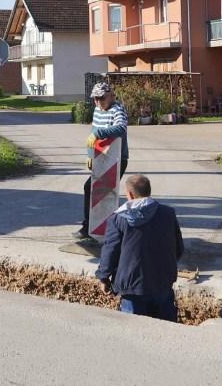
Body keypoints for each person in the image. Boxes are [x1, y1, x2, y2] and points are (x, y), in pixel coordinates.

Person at [95, 174, 184, 321]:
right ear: (149, 191)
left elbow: (110, 251)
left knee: (134, 331)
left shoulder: (118, 219)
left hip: (132, 289)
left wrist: (103, 277)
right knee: (167, 331)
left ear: (129, 194)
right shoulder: (168, 214)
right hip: (162, 284)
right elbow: (178, 248)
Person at [75, 81, 128, 239]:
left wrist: (99, 133)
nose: (98, 102)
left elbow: (121, 128)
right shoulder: (97, 110)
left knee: (103, 193)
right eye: (95, 99)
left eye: (102, 98)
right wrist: (90, 155)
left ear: (110, 96)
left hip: (116, 159)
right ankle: (90, 227)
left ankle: (101, 230)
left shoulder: (117, 109)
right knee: (91, 189)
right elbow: (92, 135)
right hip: (100, 158)